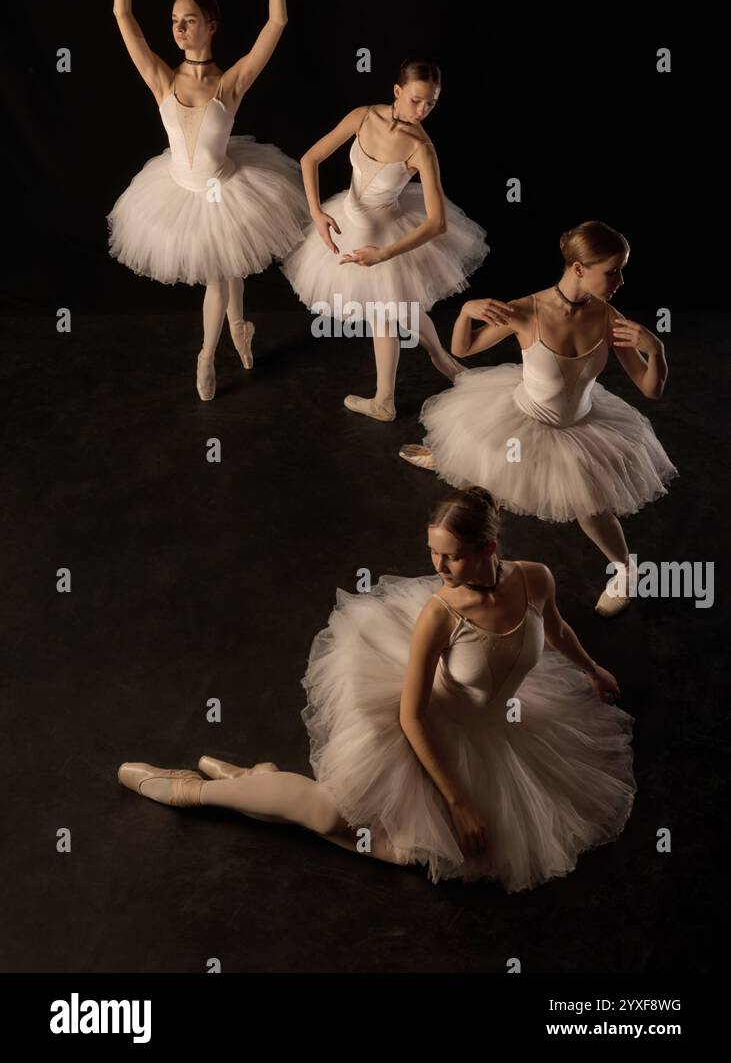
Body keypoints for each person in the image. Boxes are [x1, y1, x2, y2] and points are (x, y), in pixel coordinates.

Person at [118, 485, 636, 893]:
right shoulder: (441, 613)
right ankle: (194, 791)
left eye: (450, 557)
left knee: (415, 854)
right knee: (328, 815)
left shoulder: (534, 578)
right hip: (425, 727)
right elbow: (412, 716)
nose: (437, 567)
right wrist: (457, 802)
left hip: (499, 730)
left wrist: (591, 668)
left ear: (489, 550)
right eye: (432, 553)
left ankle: (260, 781)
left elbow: (559, 629)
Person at [400, 221, 677, 616]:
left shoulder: (609, 318)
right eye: (612, 271)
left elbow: (651, 389)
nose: (619, 280)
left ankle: (626, 571)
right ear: (579, 268)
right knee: (489, 481)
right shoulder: (527, 310)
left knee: (592, 509)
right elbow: (463, 347)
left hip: (580, 426)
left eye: (621, 269)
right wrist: (465, 311)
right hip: (521, 417)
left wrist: (657, 351)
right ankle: (445, 458)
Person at [107, 0, 311, 400]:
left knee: (223, 271)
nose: (178, 27)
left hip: (224, 189)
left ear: (211, 26)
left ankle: (205, 355)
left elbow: (277, 25)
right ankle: (240, 329)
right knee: (228, 268)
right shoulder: (161, 78)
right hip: (177, 189)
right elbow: (122, 13)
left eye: (190, 19)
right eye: (175, 19)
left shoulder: (231, 82)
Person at [279, 60, 489, 420]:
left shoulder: (421, 148)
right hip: (348, 223)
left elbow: (438, 223)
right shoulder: (362, 117)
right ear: (397, 92)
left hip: (386, 236)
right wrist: (317, 213)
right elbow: (310, 158)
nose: (422, 111)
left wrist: (385, 254)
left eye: (431, 104)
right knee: (402, 305)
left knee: (383, 313)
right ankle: (441, 358)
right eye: (416, 100)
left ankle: (384, 401)